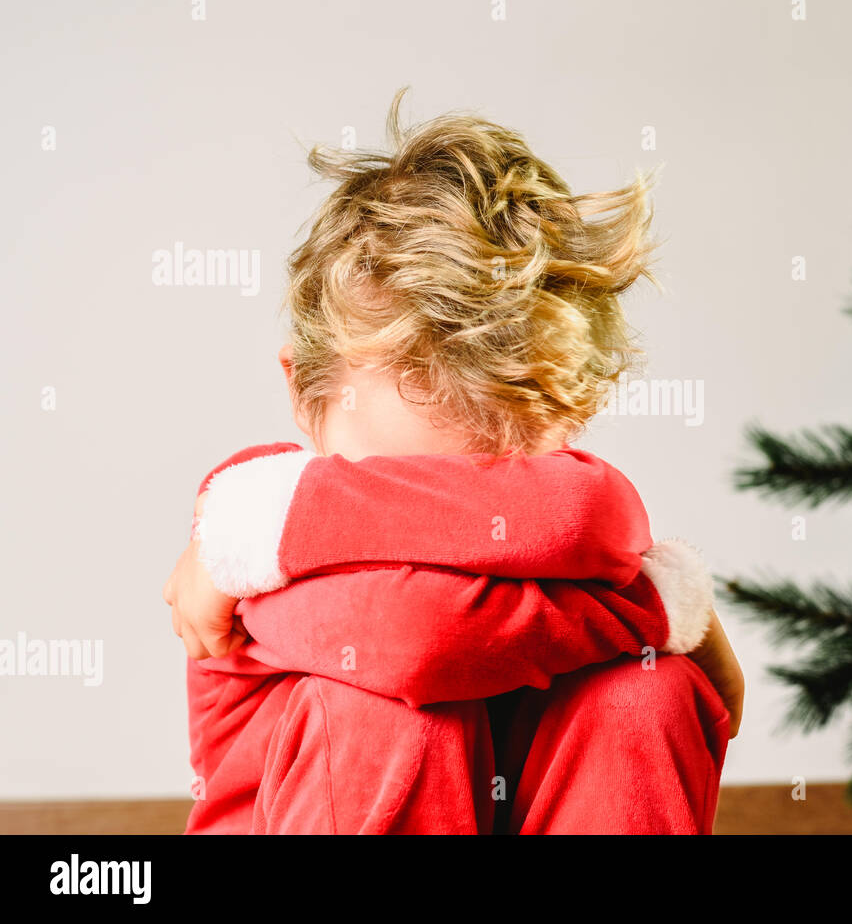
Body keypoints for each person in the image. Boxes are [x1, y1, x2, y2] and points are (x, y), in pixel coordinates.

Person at [163, 92, 744, 833]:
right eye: (397, 485)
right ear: (301, 387)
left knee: (644, 693)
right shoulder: (255, 516)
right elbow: (412, 644)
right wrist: (657, 604)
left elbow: (583, 510)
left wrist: (651, 635)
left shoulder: (277, 526)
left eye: (495, 485)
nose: (457, 526)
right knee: (391, 712)